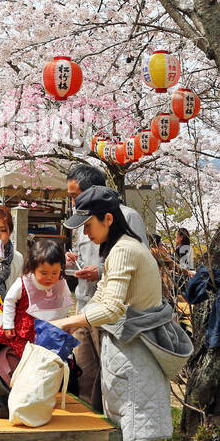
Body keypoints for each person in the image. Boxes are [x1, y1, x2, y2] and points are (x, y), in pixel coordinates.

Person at [51, 186, 172, 441]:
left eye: (88, 225)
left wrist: (65, 321)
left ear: (108, 218)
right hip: (127, 349)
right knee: (121, 427)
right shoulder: (121, 247)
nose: (84, 232)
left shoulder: (123, 251)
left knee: (129, 433)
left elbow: (111, 306)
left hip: (134, 352)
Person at [63, 164, 149, 412]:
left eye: (74, 194)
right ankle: (89, 437)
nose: (72, 201)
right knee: (84, 376)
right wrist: (72, 259)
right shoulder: (81, 219)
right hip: (85, 306)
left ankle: (114, 435)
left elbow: (136, 262)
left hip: (111, 316)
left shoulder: (127, 217)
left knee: (111, 379)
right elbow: (87, 255)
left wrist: (99, 272)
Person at [0, 238, 74, 377]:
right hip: (26, 332)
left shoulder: (60, 283)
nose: (50, 277)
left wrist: (64, 326)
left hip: (49, 332)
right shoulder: (24, 282)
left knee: (47, 365)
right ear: (32, 268)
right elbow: (9, 301)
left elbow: (63, 304)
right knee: (25, 364)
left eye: (55, 273)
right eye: (44, 273)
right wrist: (8, 324)